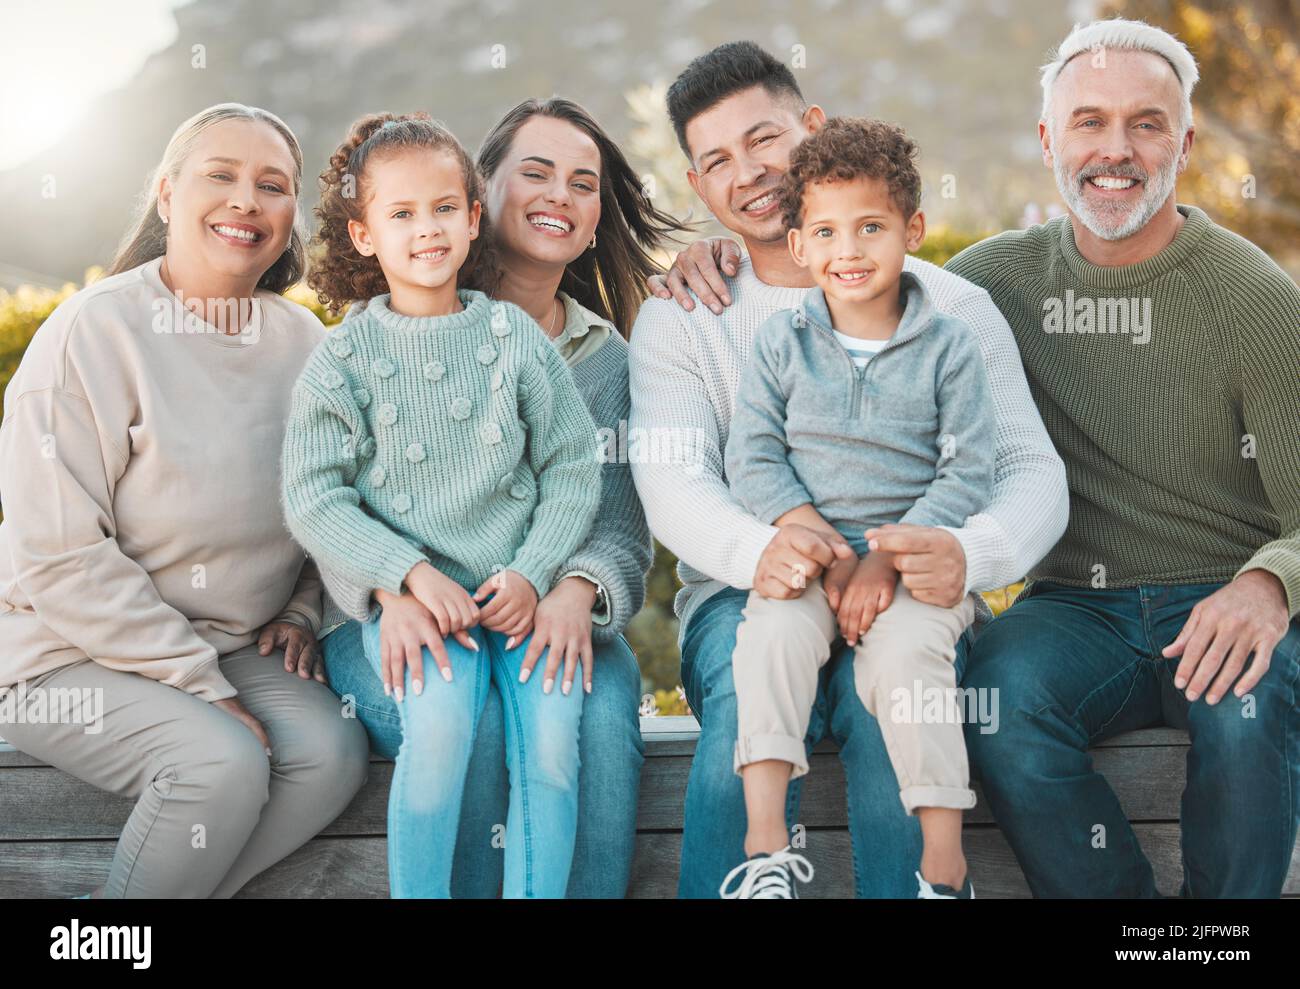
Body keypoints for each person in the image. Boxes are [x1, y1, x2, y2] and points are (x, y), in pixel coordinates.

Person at [629, 40, 1067, 898]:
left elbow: (1027, 471)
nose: (748, 172)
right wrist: (778, 551)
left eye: (765, 140)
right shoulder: (685, 316)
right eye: (717, 161)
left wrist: (964, 556)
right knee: (739, 695)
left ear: (813, 127)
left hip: (909, 585)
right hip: (748, 585)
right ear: (699, 188)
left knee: (894, 713)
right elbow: (674, 482)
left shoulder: (952, 308)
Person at [947, 18, 1300, 897]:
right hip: (1074, 609)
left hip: (1223, 591)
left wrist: (1269, 585)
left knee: (1246, 709)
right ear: (1047, 140)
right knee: (1000, 698)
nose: (1117, 149)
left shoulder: (1254, 297)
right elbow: (849, 284)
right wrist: (720, 257)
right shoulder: (989, 286)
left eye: (1146, 123)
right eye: (1089, 121)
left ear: (1184, 142)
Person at [0, 103, 369, 898]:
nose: (246, 201)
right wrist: (203, 688)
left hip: (228, 645)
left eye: (271, 185)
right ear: (167, 194)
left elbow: (328, 506)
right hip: (58, 652)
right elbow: (57, 557)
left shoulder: (307, 346)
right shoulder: (91, 333)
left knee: (331, 752)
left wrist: (301, 610)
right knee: (218, 761)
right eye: (221, 176)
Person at [319, 97, 683, 897]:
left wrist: (574, 593)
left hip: (543, 615)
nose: (560, 194)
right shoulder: (381, 327)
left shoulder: (609, 360)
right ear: (484, 193)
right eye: (537, 172)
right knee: (468, 721)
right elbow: (324, 499)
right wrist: (392, 586)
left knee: (592, 714)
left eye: (583, 183)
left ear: (595, 219)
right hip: (399, 612)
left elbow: (619, 524)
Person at [281, 112, 601, 898]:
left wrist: (531, 573)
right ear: (364, 235)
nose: (428, 229)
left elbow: (570, 465)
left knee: (556, 747)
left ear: (471, 217)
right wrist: (407, 576)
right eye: (402, 213)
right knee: (441, 729)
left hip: (518, 600)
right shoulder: (343, 360)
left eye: (444, 208)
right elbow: (315, 497)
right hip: (417, 608)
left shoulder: (511, 336)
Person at [721, 117, 994, 899]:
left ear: (912, 230)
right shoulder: (782, 343)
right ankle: (766, 848)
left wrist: (885, 557)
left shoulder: (949, 346)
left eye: (871, 227)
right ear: (799, 244)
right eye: (828, 231)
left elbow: (966, 469)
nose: (850, 250)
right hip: (809, 555)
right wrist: (813, 540)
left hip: (912, 563)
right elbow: (754, 454)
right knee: (767, 638)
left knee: (909, 664)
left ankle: (944, 869)